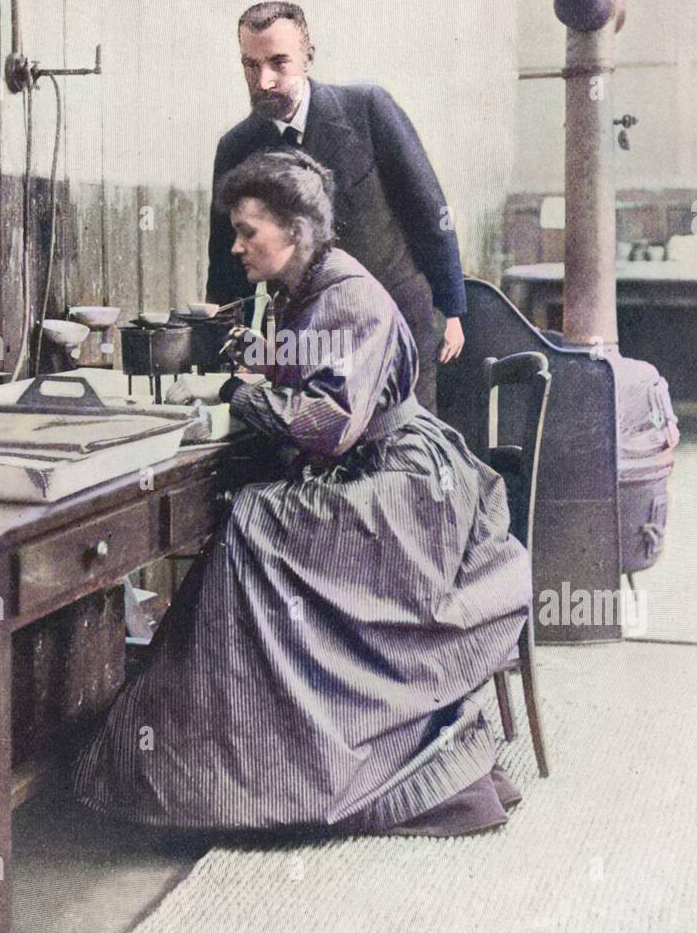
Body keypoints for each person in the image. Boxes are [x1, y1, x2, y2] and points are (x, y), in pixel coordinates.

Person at [73, 147, 531, 838]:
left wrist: (237, 394)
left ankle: (273, 767)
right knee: (254, 516)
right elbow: (312, 379)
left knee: (255, 526)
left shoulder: (344, 296)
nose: (237, 245)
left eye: (248, 231)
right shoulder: (310, 288)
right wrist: (256, 363)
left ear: (296, 230)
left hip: (405, 487)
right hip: (383, 470)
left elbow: (325, 427)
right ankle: (236, 746)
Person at [205, 0, 466, 415]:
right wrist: (221, 349)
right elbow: (226, 263)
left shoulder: (367, 109)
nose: (264, 81)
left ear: (308, 58)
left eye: (278, 63)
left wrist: (451, 310)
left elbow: (429, 209)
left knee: (398, 452)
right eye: (250, 66)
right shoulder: (237, 147)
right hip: (307, 341)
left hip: (396, 321)